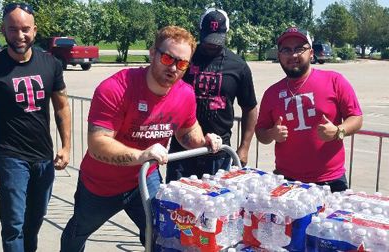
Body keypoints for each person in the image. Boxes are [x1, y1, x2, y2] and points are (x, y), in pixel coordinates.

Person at [60, 25, 222, 251]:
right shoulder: (116, 88)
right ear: (152, 53)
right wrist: (141, 155)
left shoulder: (184, 93)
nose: (174, 68)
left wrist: (206, 141)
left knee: (159, 234)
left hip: (145, 179)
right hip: (100, 184)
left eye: (182, 63)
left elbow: (187, 133)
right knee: (78, 232)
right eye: (167, 58)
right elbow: (98, 144)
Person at [0, 2, 71, 252]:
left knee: (34, 220)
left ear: (35, 30)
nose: (20, 35)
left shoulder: (50, 63)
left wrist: (66, 147)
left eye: (25, 29)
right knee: (14, 225)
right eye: (13, 29)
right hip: (10, 157)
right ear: (3, 29)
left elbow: (62, 107)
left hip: (43, 158)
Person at [255, 27, 363, 192]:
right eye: (286, 50)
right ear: (279, 56)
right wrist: (271, 134)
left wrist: (338, 131)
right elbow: (261, 132)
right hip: (286, 180)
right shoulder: (271, 93)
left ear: (311, 53)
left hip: (330, 181)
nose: (293, 55)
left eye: (299, 49)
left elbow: (356, 118)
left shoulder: (335, 81)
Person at [166, 8, 258, 182]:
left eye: (217, 40)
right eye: (208, 39)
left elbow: (249, 107)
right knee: (178, 206)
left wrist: (244, 147)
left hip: (219, 152)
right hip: (183, 149)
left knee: (216, 205)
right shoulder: (185, 59)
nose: (211, 45)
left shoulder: (238, 66)